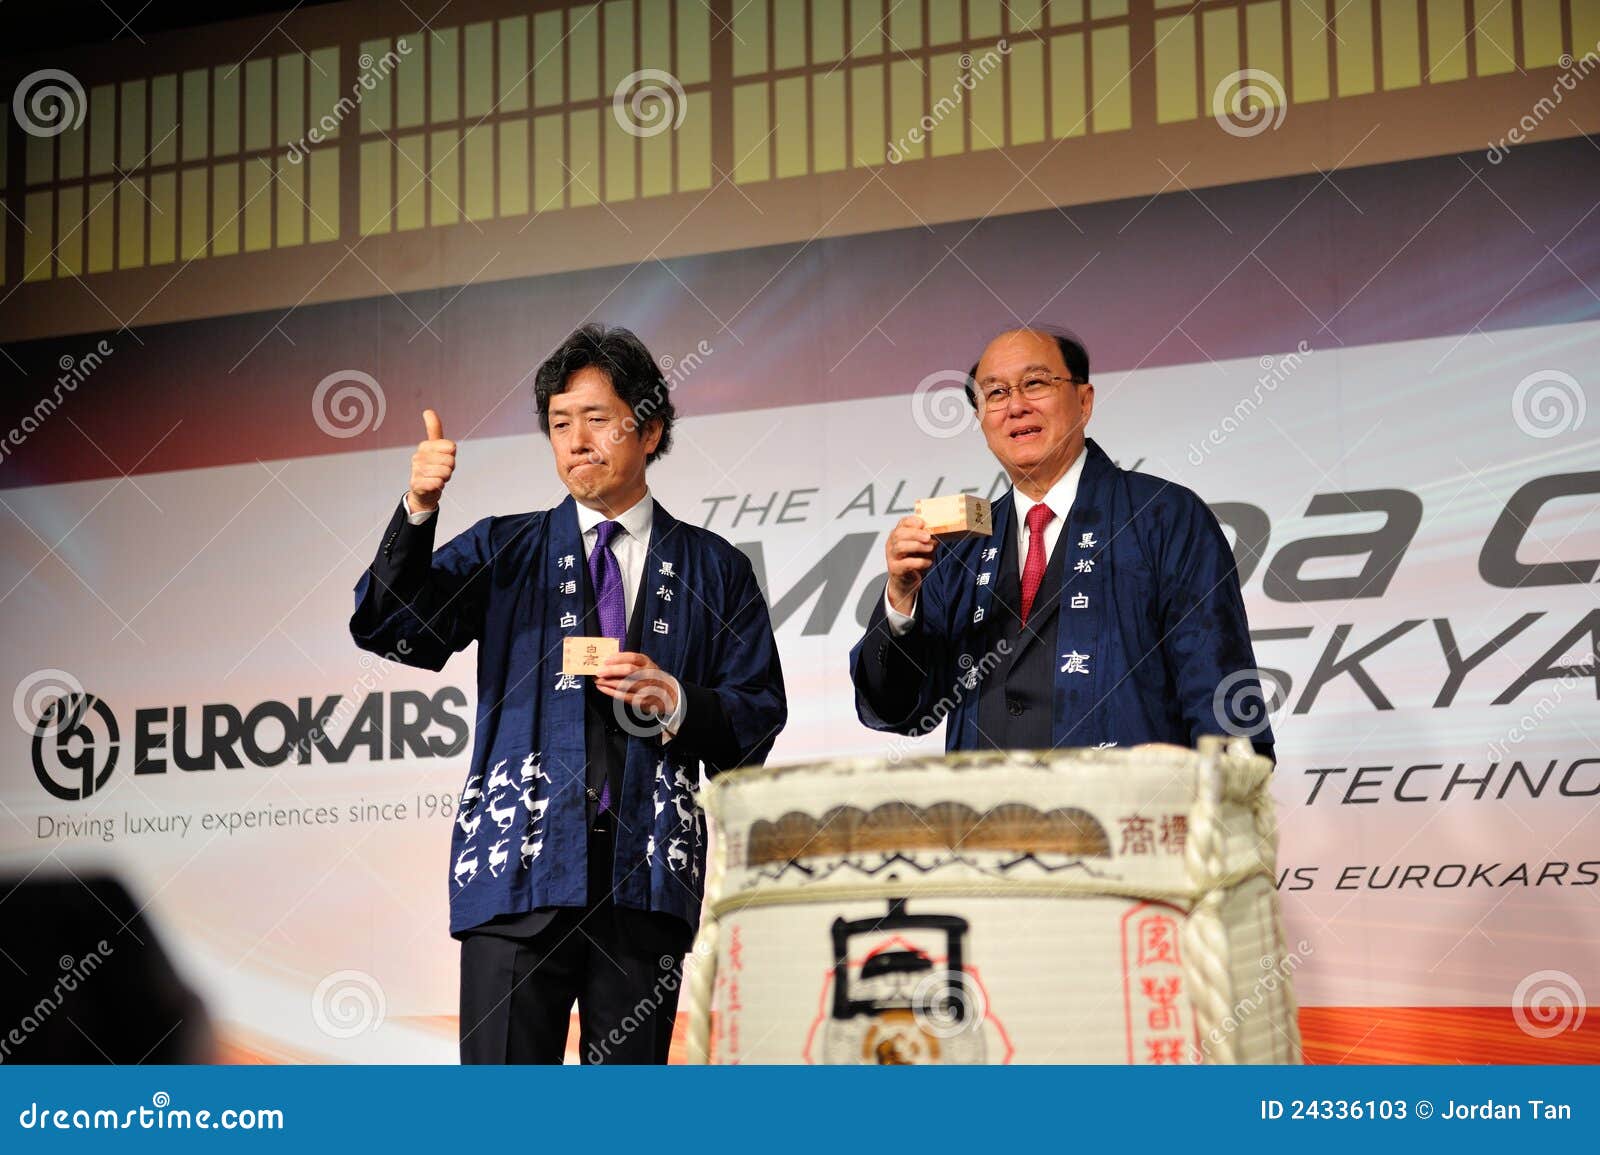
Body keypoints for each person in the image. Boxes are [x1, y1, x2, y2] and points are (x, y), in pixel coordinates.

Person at [351, 324, 786, 1064]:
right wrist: (419, 505)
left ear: (648, 429)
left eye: (596, 418)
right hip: (516, 875)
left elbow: (755, 721)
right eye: (559, 423)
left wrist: (676, 700)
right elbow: (392, 627)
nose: (575, 439)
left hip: (645, 884)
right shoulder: (505, 548)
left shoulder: (715, 570)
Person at [850, 326, 1273, 760]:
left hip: (1125, 815)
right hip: (988, 819)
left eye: (1035, 383)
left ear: (1084, 401)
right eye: (994, 394)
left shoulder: (1163, 515)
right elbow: (897, 711)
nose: (1015, 406)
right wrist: (901, 600)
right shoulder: (959, 546)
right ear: (980, 419)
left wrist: (1230, 797)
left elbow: (1216, 679)